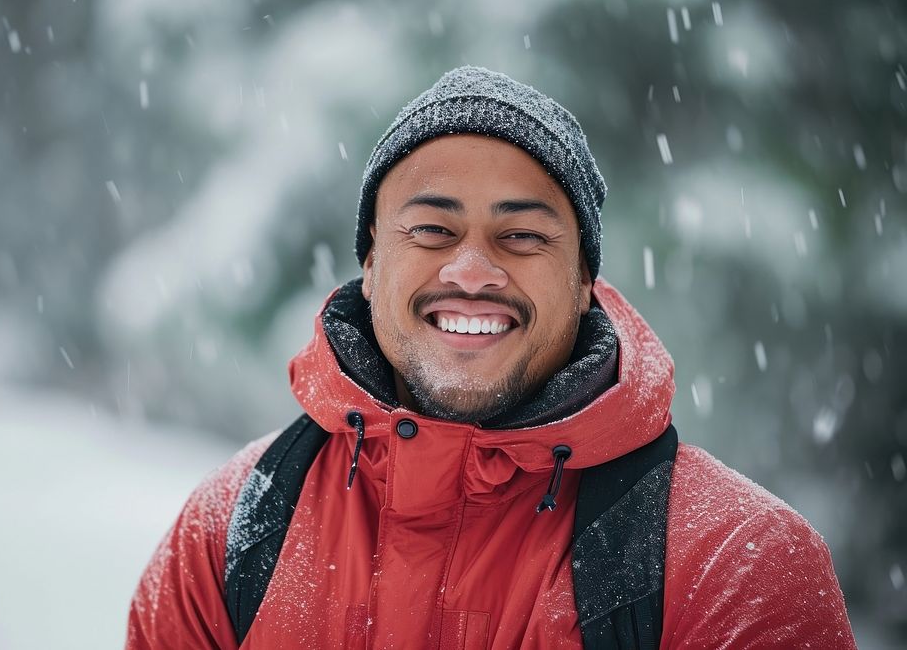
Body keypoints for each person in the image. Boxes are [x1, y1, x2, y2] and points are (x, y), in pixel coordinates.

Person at [126, 66, 855, 649]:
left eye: (524, 236)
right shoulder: (232, 529)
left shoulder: (736, 562)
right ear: (372, 264)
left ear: (582, 284)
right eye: (433, 228)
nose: (472, 270)